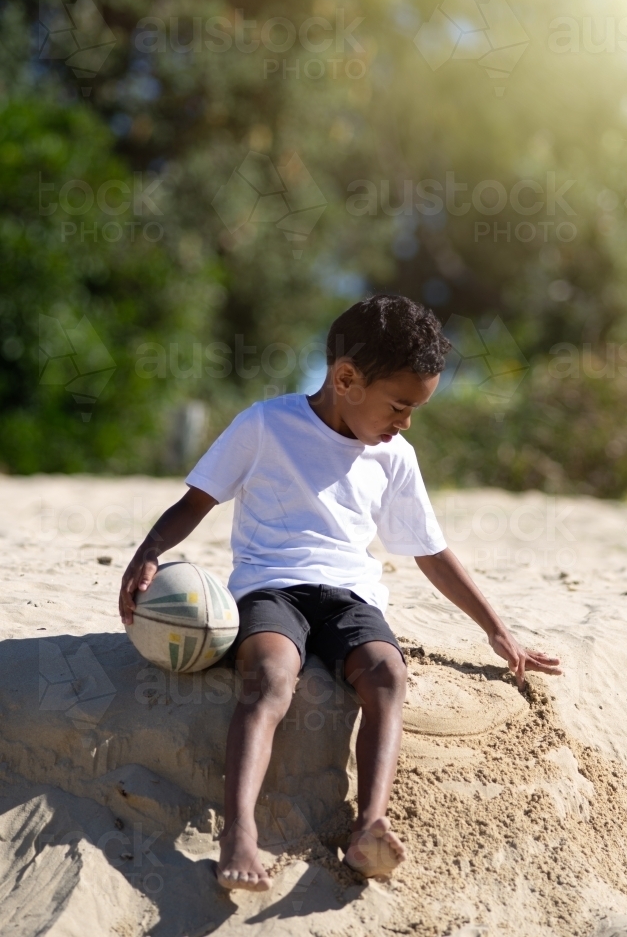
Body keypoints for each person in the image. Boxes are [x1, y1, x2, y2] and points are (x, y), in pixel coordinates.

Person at [119, 294, 562, 891]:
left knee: (387, 675)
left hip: (351, 597)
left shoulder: (395, 457)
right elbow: (197, 501)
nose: (406, 422)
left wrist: (497, 629)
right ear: (346, 378)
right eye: (400, 406)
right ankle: (240, 832)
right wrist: (149, 552)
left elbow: (431, 551)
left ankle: (369, 825)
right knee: (272, 676)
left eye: (415, 410)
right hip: (270, 587)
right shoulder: (266, 424)